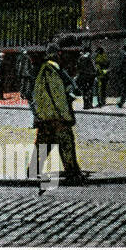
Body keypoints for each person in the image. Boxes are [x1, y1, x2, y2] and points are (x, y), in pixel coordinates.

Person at [27, 42, 86, 185]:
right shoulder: (52, 70)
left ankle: (33, 170)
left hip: (45, 117)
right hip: (56, 116)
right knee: (66, 143)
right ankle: (72, 172)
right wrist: (66, 115)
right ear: (57, 54)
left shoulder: (41, 70)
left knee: (43, 143)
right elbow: (57, 96)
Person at [94, 46, 110, 110]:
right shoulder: (105, 56)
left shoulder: (99, 57)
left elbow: (98, 66)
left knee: (100, 89)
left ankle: (100, 102)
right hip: (104, 75)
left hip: (100, 75)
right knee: (103, 89)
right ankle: (102, 101)